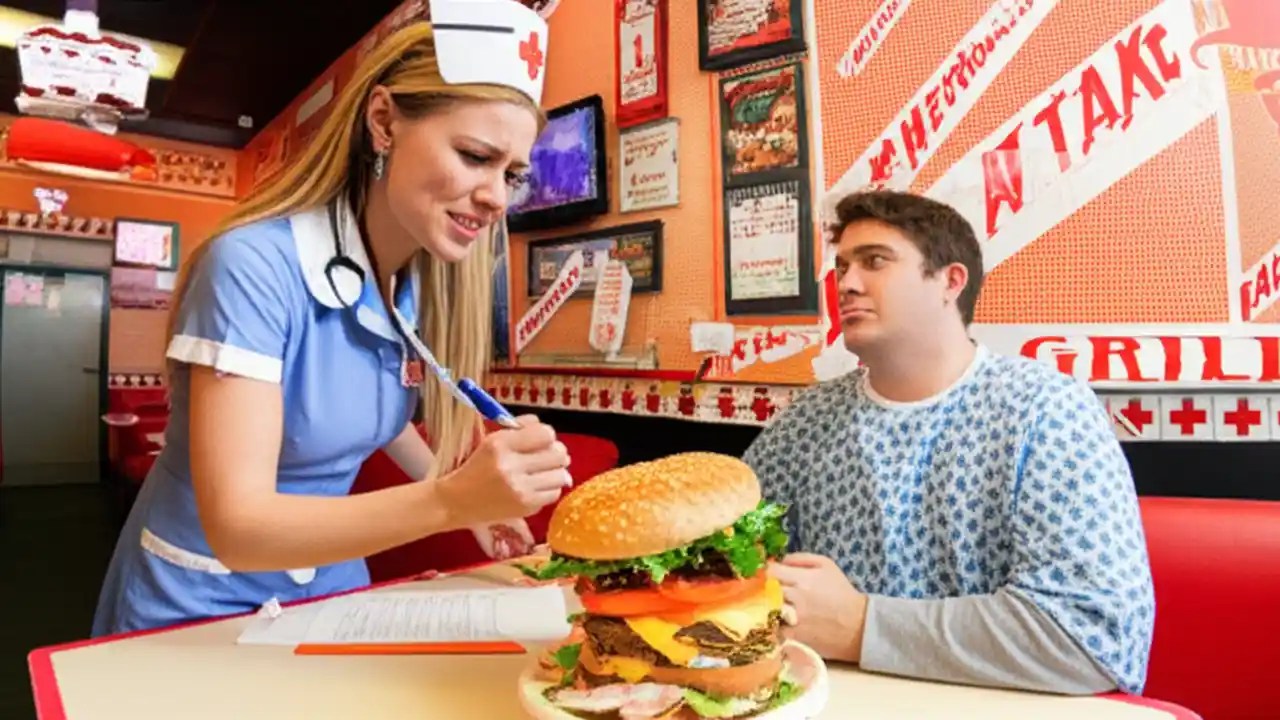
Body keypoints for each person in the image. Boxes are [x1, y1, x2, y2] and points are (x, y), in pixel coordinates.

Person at [92, 0, 568, 636]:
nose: (495, 196)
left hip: (327, 596)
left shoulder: (415, 283)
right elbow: (240, 528)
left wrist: (463, 495)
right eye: (475, 155)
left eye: (512, 174)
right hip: (196, 603)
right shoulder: (251, 267)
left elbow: (367, 408)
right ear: (383, 121)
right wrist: (450, 500)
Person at [744, 190, 1155, 695]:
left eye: (874, 261)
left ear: (949, 281)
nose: (845, 284)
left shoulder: (1046, 411)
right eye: (842, 266)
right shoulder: (804, 423)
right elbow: (727, 562)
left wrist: (860, 626)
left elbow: (1092, 637)